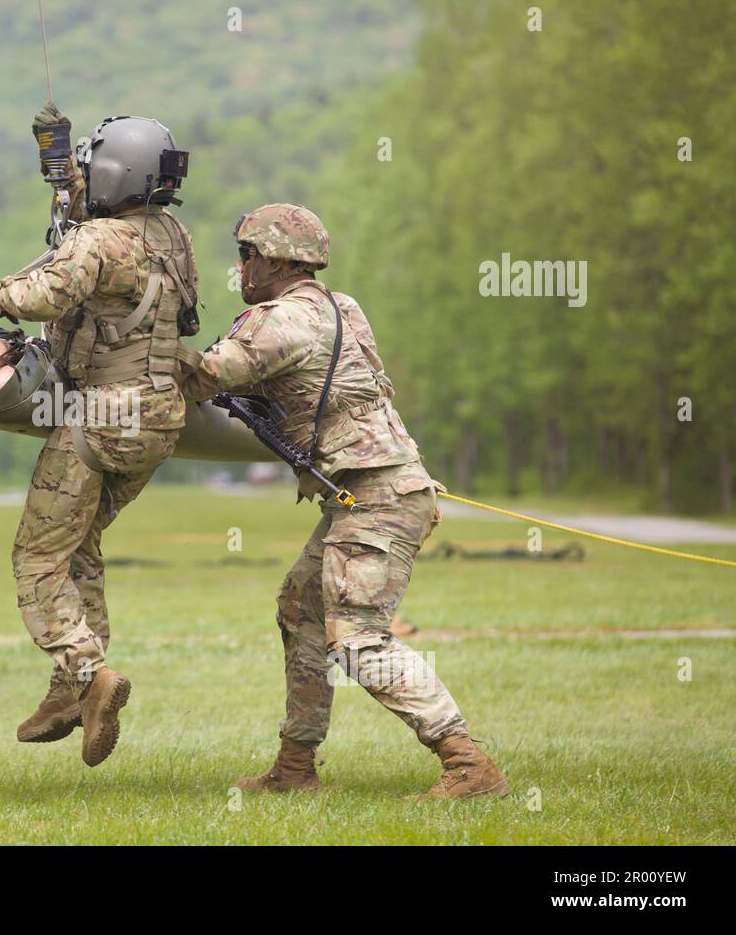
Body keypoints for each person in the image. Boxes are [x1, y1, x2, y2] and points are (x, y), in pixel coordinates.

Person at [183, 203, 508, 799]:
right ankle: (295, 767)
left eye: (248, 254)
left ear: (278, 258)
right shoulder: (340, 307)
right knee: (300, 607)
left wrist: (137, 348)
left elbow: (205, 376)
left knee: (356, 637)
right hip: (374, 491)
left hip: (376, 494)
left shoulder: (279, 322)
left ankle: (468, 764)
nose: (241, 267)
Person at [0, 105, 200, 766]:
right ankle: (68, 692)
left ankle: (88, 671)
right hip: (158, 421)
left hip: (102, 418)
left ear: (116, 172)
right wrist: (62, 171)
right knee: (80, 547)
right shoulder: (172, 234)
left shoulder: (99, 241)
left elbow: (46, 294)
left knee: (36, 557)